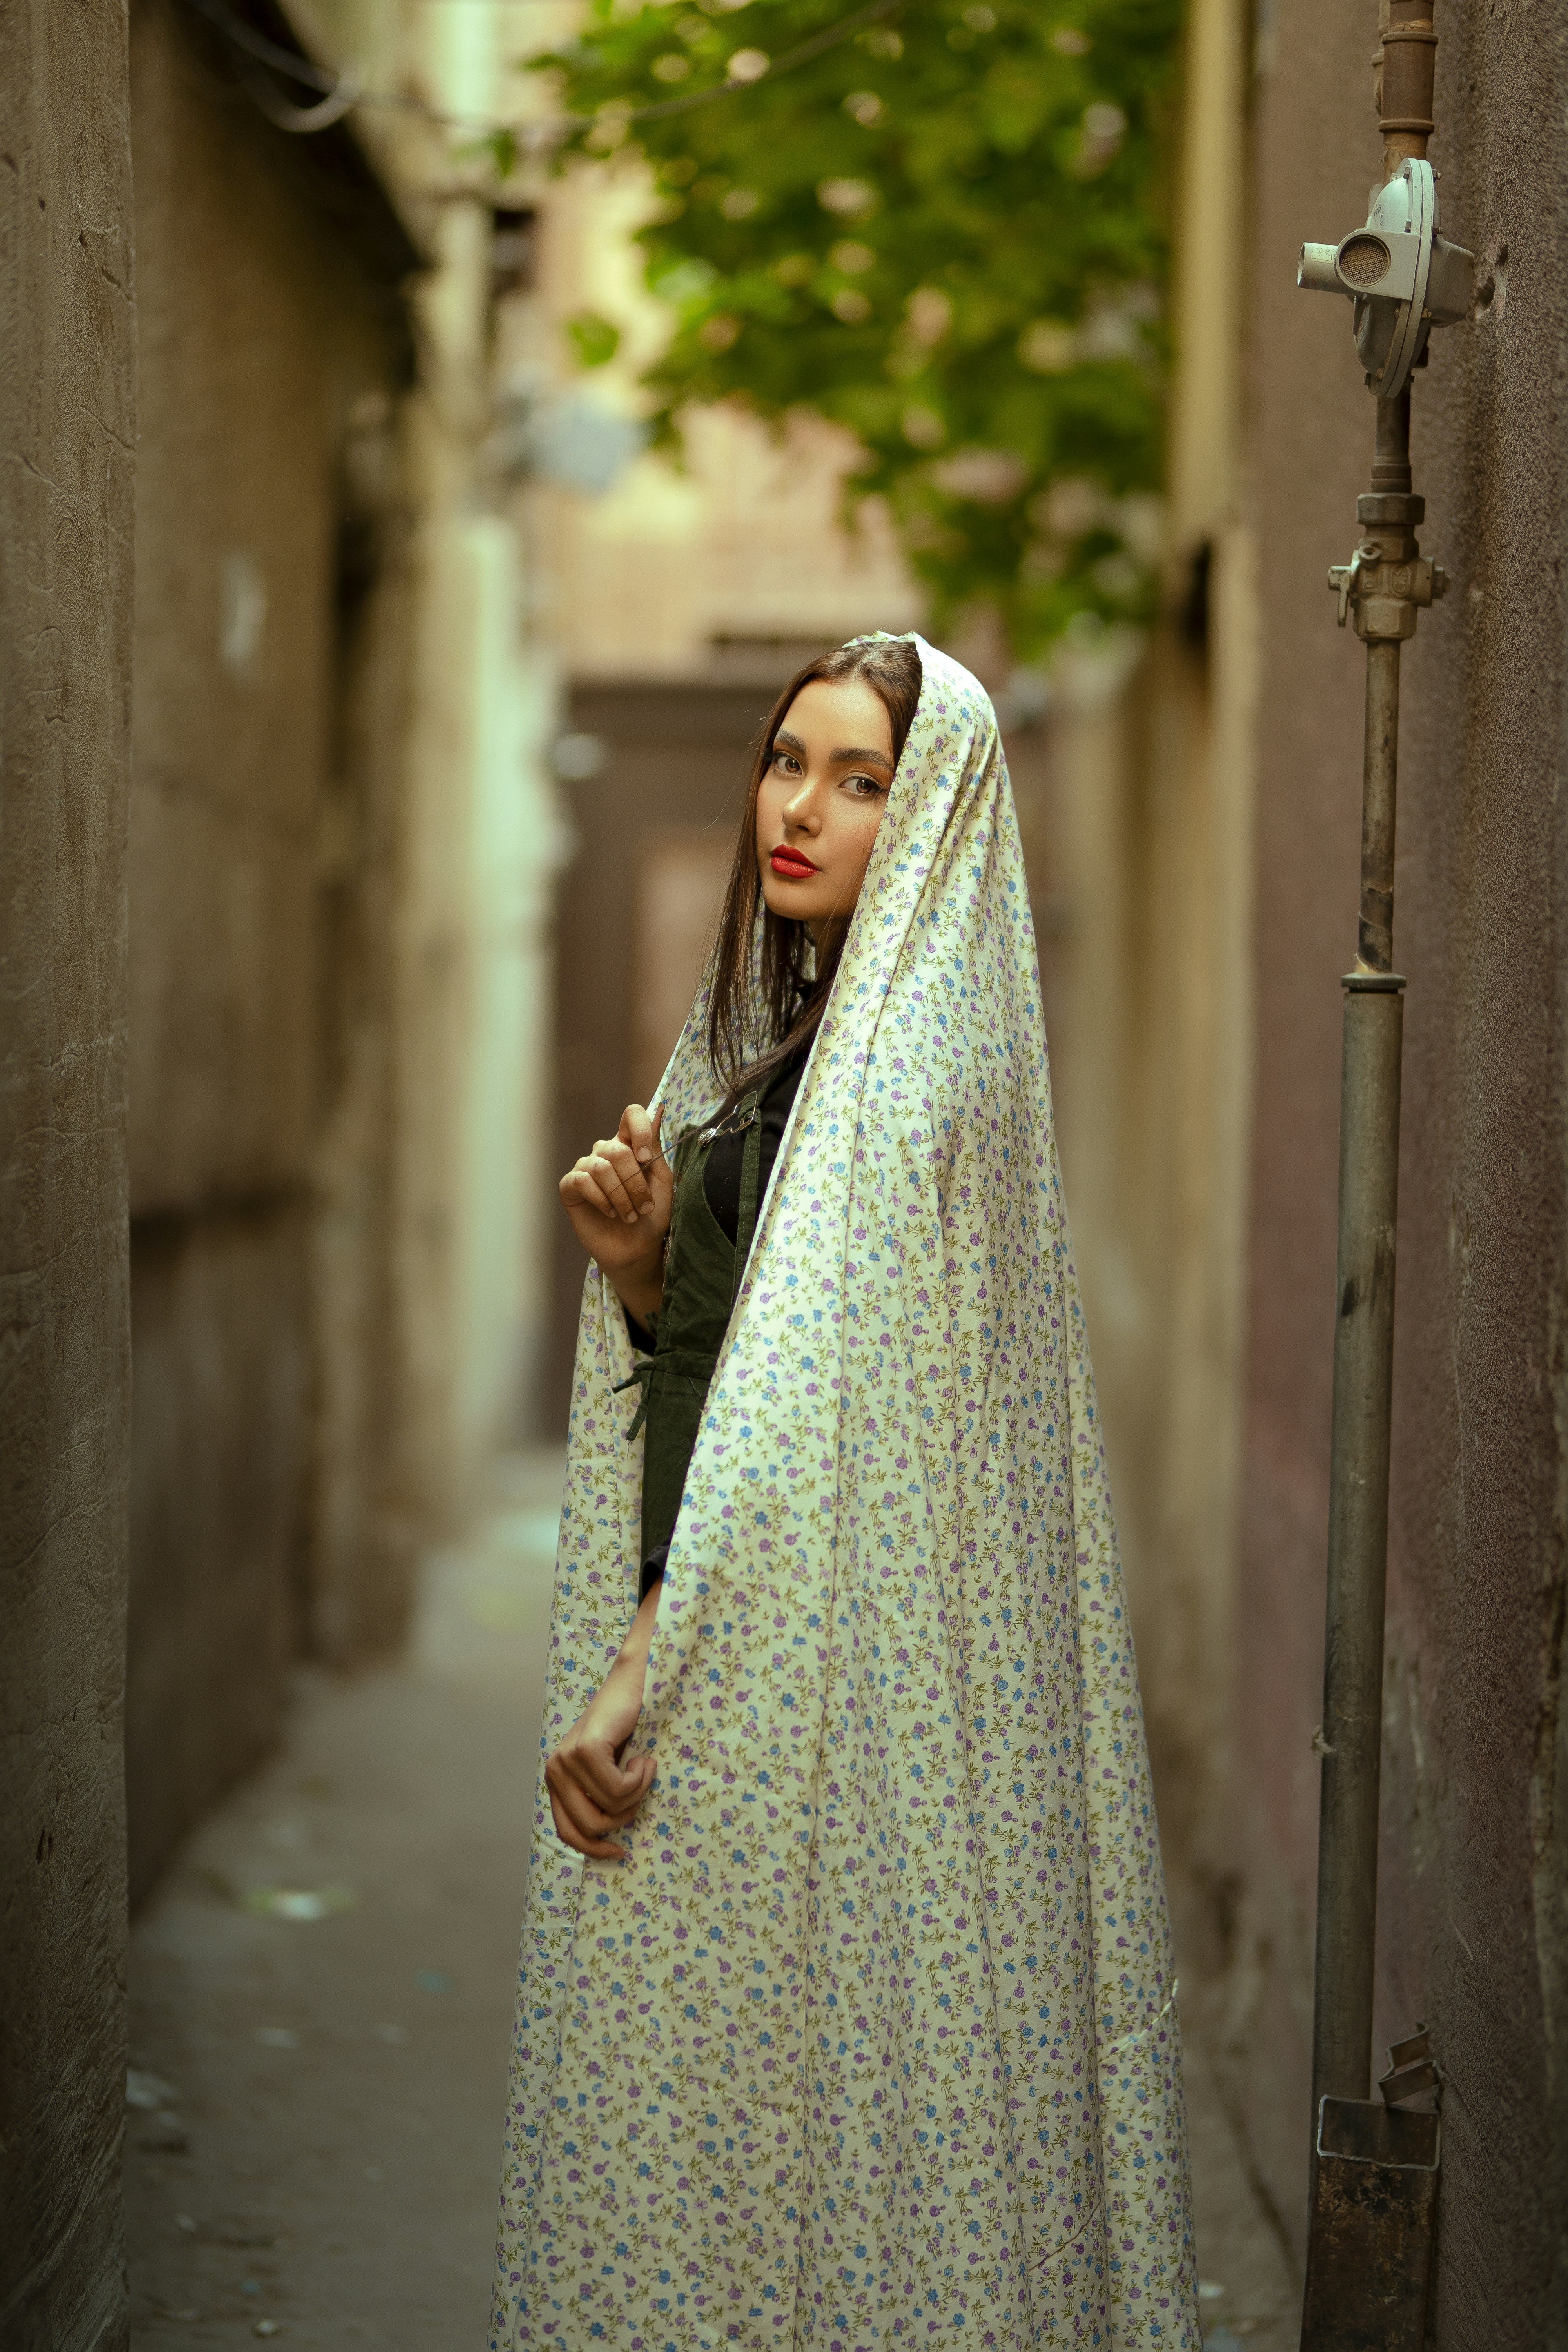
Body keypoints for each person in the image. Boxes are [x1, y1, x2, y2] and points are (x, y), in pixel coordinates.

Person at [493, 635, 1199, 2351]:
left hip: (831, 1689)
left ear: (936, 812)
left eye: (862, 779)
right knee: (761, 2134)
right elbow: (756, 1368)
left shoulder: (899, 1087)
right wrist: (654, 1272)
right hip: (788, 1664)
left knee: (822, 2120)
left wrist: (643, 1656)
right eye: (787, 760)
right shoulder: (790, 1039)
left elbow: (814, 1430)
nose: (802, 808)